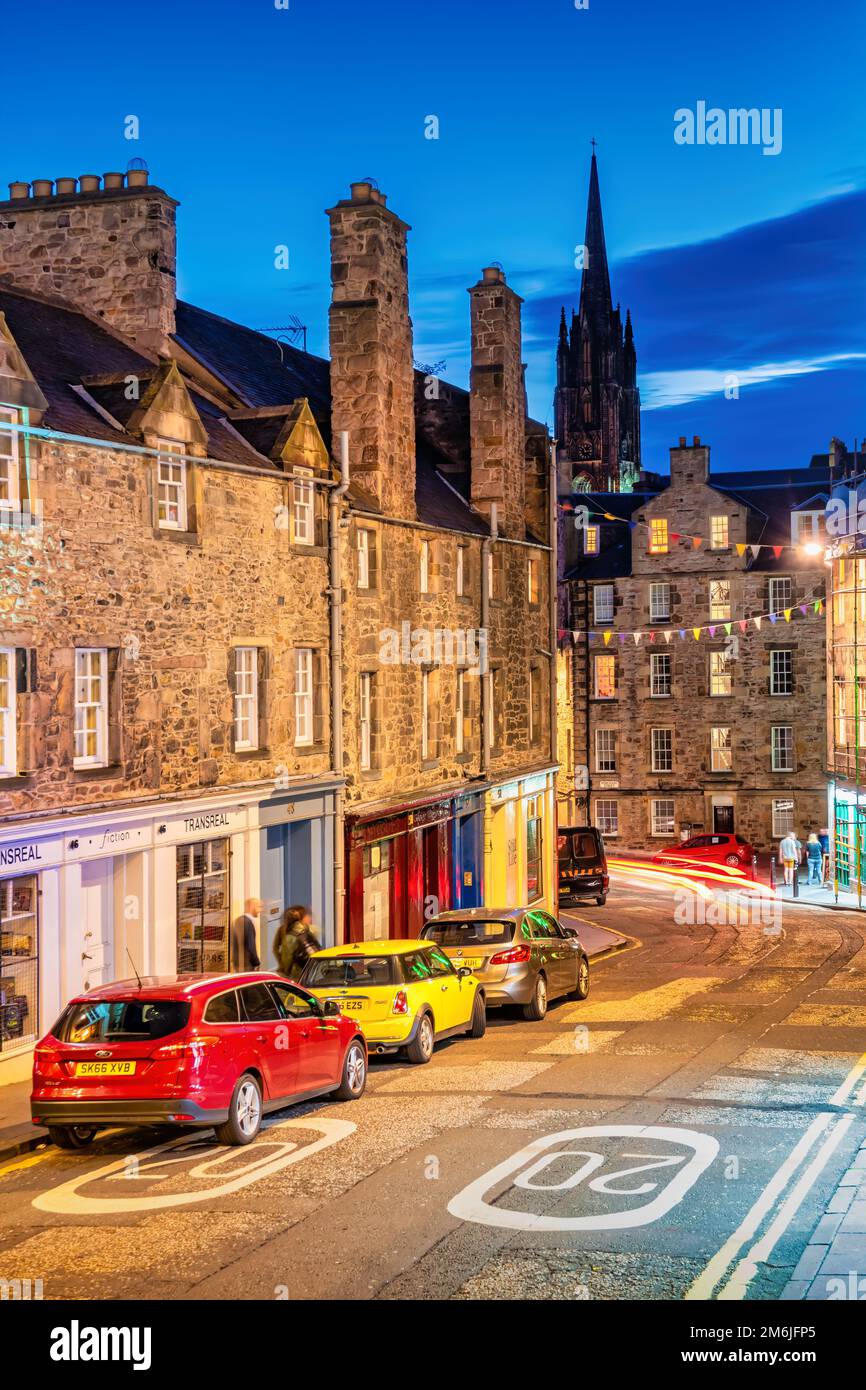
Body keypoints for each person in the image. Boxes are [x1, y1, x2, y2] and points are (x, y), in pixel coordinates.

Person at [274, 905, 321, 980]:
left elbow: (287, 959)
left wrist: (285, 970)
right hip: (313, 970)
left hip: (298, 973)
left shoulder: (289, 937)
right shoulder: (309, 930)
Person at [230, 898, 262, 972]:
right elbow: (251, 946)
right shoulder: (248, 923)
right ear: (252, 907)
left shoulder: (237, 921)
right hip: (247, 964)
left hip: (237, 963)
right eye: (258, 907)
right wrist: (256, 962)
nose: (260, 910)